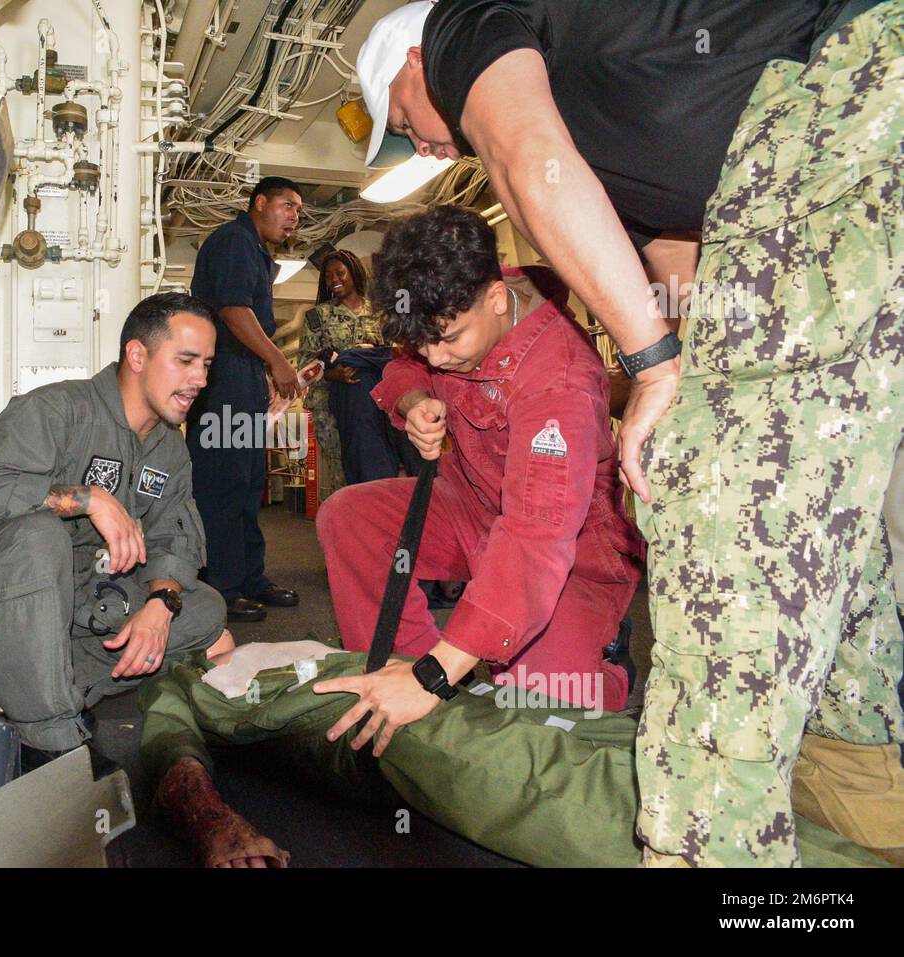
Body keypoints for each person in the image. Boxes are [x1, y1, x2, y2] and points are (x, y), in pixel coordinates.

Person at [356, 0, 904, 866]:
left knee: (721, 545)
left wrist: (653, 367)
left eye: (399, 121)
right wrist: (689, 369)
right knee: (819, 532)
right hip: (833, 161)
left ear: (417, 61)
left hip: (834, 130)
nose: (420, 145)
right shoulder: (624, 134)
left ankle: (718, 852)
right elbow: (684, 260)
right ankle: (859, 818)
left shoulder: (465, 29)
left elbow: (530, 162)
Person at [316, 205, 643, 733]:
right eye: (426, 341)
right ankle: (404, 682)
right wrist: (414, 399)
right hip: (470, 506)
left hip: (568, 550)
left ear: (496, 300)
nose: (437, 357)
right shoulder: (451, 303)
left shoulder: (558, 382)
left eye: (448, 341)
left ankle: (604, 666)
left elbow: (535, 538)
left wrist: (437, 673)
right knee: (349, 517)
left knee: (539, 713)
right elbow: (404, 364)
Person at [137, 641, 886, 868]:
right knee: (591, 800)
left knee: (654, 742)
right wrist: (213, 824)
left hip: (454, 692)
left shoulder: (304, 636)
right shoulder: (205, 682)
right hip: (391, 731)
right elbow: (171, 749)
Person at [0, 293, 235, 761]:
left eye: (207, 365)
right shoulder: (56, 410)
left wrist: (161, 601)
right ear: (138, 355)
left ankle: (38, 684)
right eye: (186, 361)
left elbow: (172, 541)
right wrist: (86, 498)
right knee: (41, 535)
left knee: (204, 610)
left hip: (82, 600)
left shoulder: (169, 450)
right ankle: (55, 744)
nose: (200, 379)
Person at [186, 176, 305, 624]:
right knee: (223, 483)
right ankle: (222, 586)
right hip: (224, 379)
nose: (294, 216)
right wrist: (277, 362)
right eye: (287, 205)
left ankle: (250, 578)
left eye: (299, 210)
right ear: (259, 203)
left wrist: (266, 372)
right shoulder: (234, 241)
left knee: (250, 481)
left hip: (244, 376)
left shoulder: (255, 251)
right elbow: (234, 311)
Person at [300, 250, 422, 499]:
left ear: (354, 273)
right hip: (332, 407)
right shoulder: (318, 317)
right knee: (342, 471)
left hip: (376, 402)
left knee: (378, 465)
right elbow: (305, 364)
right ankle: (342, 528)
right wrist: (333, 374)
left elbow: (398, 353)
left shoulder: (380, 312)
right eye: (328, 276)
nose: (334, 279)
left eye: (340, 272)